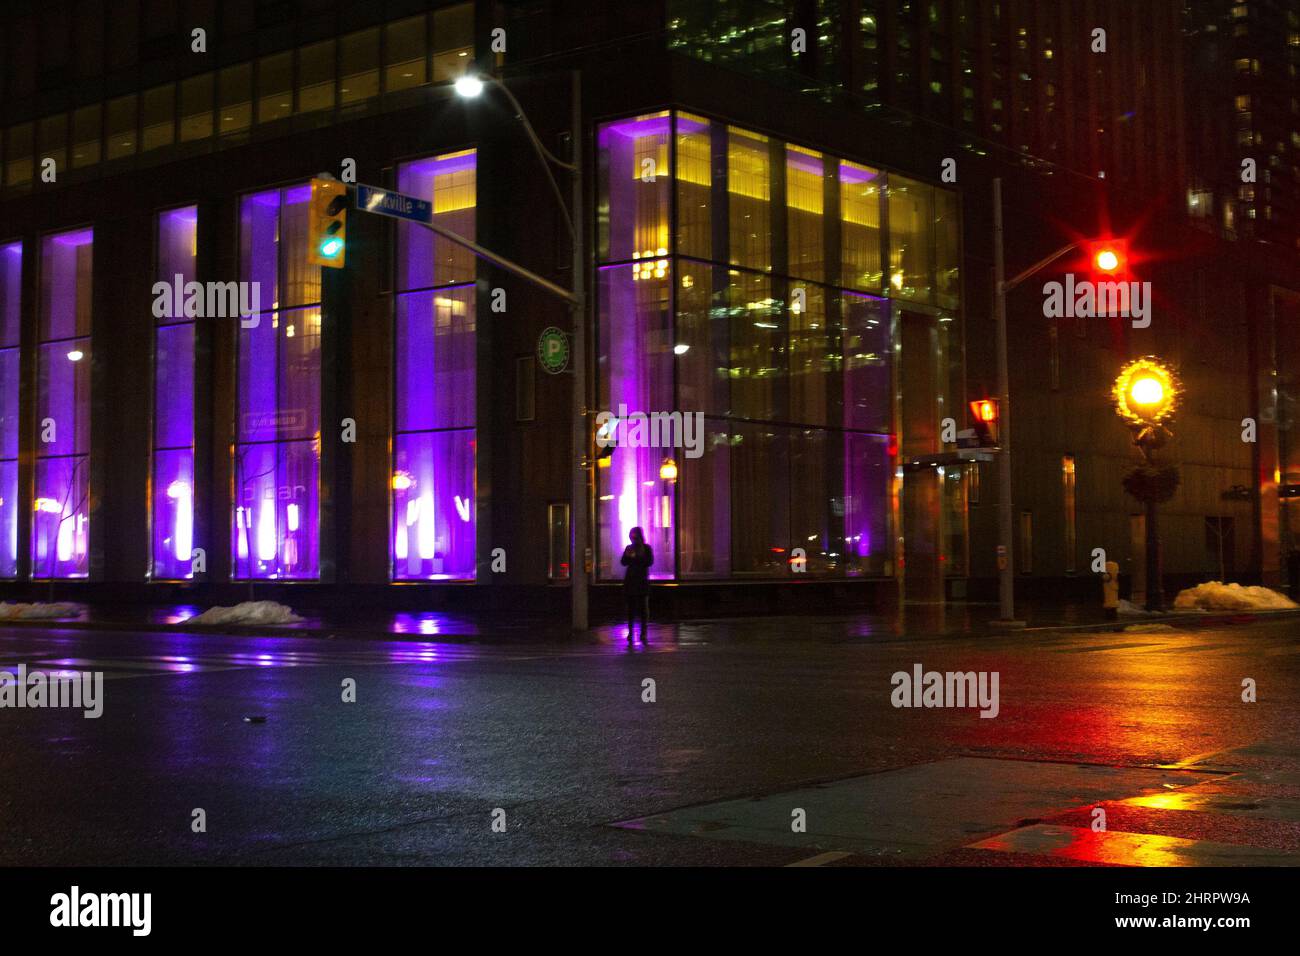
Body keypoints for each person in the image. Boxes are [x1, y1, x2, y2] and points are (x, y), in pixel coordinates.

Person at [620, 526, 653, 644]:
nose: (633, 539)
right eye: (631, 536)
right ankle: (631, 632)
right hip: (631, 581)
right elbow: (623, 562)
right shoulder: (629, 548)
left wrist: (635, 557)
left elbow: (649, 562)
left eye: (635, 536)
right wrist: (628, 555)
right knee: (631, 608)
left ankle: (643, 632)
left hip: (641, 581)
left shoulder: (646, 548)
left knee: (643, 608)